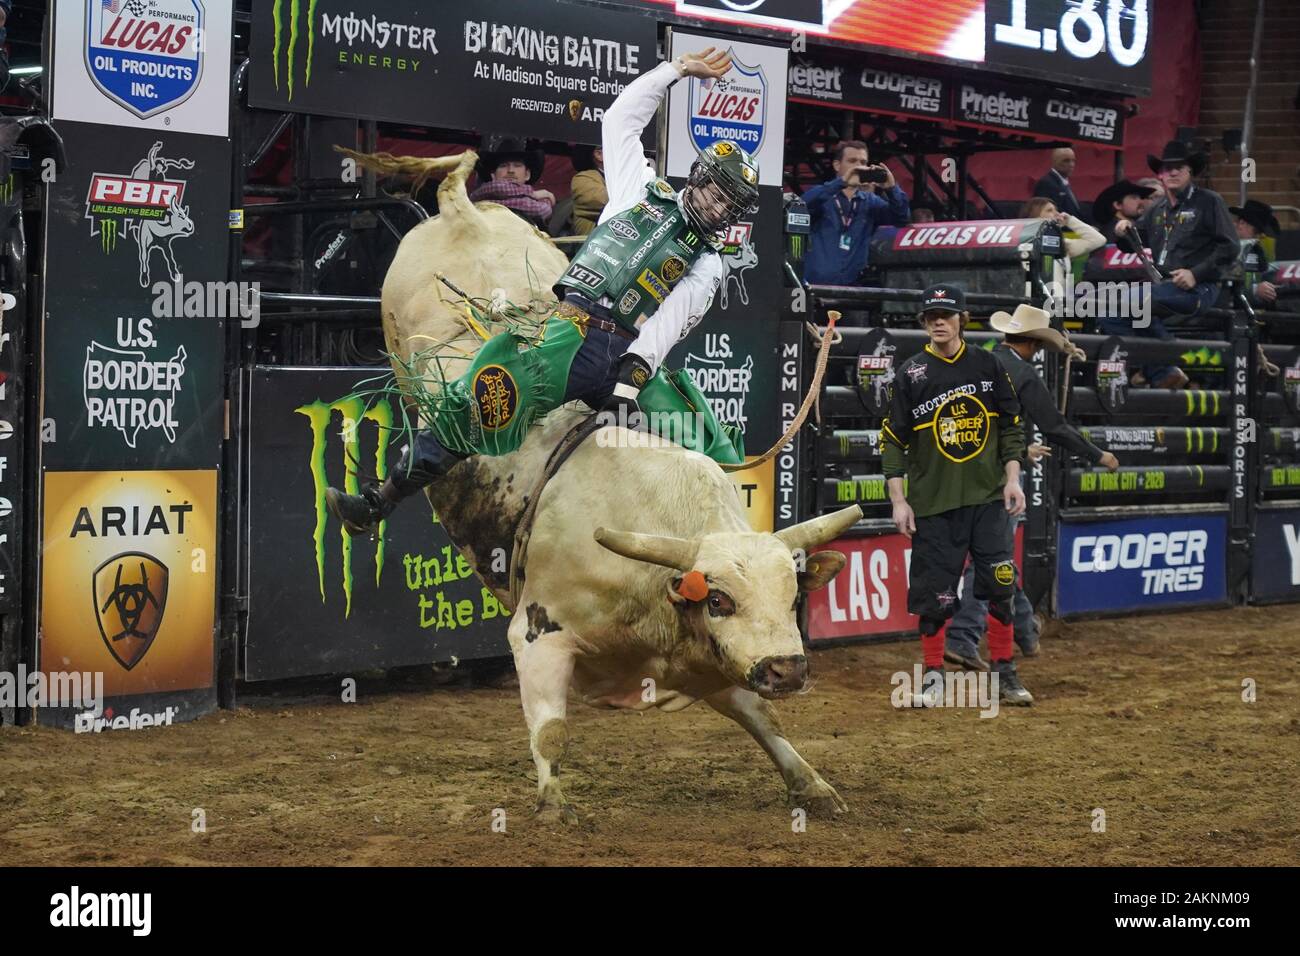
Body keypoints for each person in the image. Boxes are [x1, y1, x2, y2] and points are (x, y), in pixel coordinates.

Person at [326, 47, 760, 534]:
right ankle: (376, 502)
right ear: (698, 179)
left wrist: (630, 380)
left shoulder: (707, 261)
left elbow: (668, 321)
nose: (719, 209)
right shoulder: (639, 187)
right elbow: (620, 118)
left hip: (628, 356)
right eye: (716, 194)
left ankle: (736, 553)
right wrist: (675, 70)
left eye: (730, 204)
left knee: (697, 433)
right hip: (567, 335)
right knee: (477, 403)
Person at [944, 304, 1120, 671]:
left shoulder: (970, 363)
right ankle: (963, 637)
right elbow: (1054, 426)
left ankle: (1024, 630)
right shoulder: (1021, 373)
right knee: (992, 560)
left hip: (954, 471)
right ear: (1032, 345)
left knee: (994, 556)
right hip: (994, 477)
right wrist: (1096, 454)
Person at [881, 284, 1031, 706]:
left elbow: (1012, 426)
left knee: (1001, 585)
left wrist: (1013, 478)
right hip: (933, 503)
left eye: (945, 315)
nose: (938, 323)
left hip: (988, 501)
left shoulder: (988, 364)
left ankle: (1005, 673)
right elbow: (892, 439)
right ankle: (933, 676)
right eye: (931, 317)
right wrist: (899, 499)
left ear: (962, 318)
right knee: (935, 595)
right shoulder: (911, 374)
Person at [1107, 141, 1240, 389]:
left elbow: (1231, 247)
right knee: (1106, 309)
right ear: (1161, 174)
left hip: (1199, 289)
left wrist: (1195, 274)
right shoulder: (1157, 208)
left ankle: (1160, 368)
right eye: (1168, 169)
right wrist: (1123, 231)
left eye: (1180, 168)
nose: (1173, 172)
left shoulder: (1209, 201)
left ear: (1191, 172)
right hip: (1165, 288)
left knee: (1125, 303)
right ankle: (1163, 370)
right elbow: (1132, 242)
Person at [800, 140, 909, 286]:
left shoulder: (870, 202)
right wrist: (841, 182)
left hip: (853, 293)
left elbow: (901, 218)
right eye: (852, 161)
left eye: (863, 162)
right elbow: (802, 207)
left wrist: (891, 188)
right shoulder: (822, 195)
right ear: (837, 165)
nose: (859, 166)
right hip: (815, 288)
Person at [469, 136, 556, 230]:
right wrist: (532, 194)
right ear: (493, 175)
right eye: (503, 166)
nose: (511, 170)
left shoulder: (474, 204)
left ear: (527, 174)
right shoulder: (474, 206)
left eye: (517, 165)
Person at [1229, 198, 1280, 307]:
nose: (1260, 237)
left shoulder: (1261, 250)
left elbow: (1269, 278)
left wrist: (1267, 290)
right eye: (1256, 232)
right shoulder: (1225, 247)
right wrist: (1255, 290)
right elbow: (1225, 290)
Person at [1093, 180, 1157, 244]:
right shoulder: (1112, 234)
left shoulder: (1139, 228)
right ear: (1118, 205)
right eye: (1134, 198)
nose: (1141, 202)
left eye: (1140, 198)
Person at [1032, 147, 1082, 219]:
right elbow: (1043, 213)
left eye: (1073, 161)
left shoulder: (1064, 183)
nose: (1071, 164)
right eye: (1066, 161)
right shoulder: (1046, 183)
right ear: (1055, 161)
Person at [570, 144, 608, 236]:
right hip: (596, 248)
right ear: (599, 155)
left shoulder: (614, 179)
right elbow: (604, 200)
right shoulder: (583, 179)